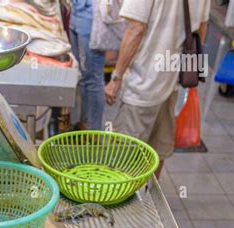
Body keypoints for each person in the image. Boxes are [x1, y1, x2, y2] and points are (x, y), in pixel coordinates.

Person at [105, 0, 210, 175]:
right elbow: (200, 29)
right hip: (171, 83)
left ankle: (125, 201)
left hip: (142, 85)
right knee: (157, 152)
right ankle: (150, 199)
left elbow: (136, 29)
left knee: (122, 159)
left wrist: (116, 77)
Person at [69, 0, 106, 130]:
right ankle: (84, 123)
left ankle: (93, 132)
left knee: (93, 77)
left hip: (92, 16)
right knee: (82, 75)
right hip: (76, 11)